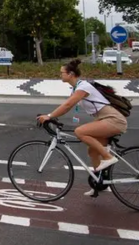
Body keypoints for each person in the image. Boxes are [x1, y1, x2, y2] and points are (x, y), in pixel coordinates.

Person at [37, 58, 127, 195]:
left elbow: (68, 105)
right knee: (92, 151)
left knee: (80, 132)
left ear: (71, 74)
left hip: (113, 119)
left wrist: (49, 116)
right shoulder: (76, 88)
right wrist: (54, 117)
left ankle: (108, 158)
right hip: (104, 119)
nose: (60, 75)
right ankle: (99, 183)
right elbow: (67, 107)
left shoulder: (83, 87)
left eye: (62, 73)